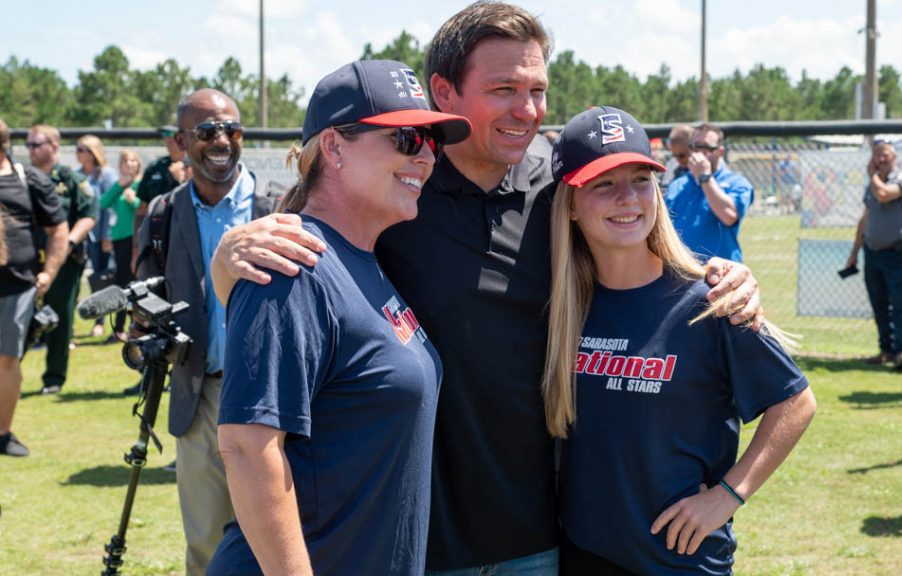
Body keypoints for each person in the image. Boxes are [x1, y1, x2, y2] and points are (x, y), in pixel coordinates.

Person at [210, 3, 764, 573]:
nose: (525, 110)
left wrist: (718, 275)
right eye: (503, 89)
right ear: (443, 93)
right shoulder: (395, 190)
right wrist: (225, 261)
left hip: (535, 529)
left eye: (537, 90)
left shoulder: (559, 182)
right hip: (415, 536)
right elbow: (289, 272)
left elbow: (638, 244)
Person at [207, 59, 470, 576]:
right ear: (333, 147)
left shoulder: (363, 258)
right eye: (406, 140)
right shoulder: (293, 263)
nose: (425, 157)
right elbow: (246, 446)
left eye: (431, 141)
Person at [543, 105, 815, 575]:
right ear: (569, 203)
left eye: (641, 180)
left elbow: (795, 403)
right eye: (603, 184)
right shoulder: (566, 306)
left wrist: (728, 495)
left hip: (681, 560)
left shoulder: (711, 301)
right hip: (583, 554)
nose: (627, 198)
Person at [134, 89, 275, 575]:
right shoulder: (160, 215)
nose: (221, 141)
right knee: (206, 545)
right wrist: (143, 332)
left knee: (280, 537)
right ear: (180, 142)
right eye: (207, 131)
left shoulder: (280, 207)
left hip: (274, 398)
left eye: (231, 129)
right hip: (200, 395)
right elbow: (141, 296)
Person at [0, 117, 68, 456]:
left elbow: (58, 229)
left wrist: (49, 273)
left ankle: (3, 433)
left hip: (15, 286)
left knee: (8, 361)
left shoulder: (29, 180)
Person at [27, 125, 95, 395]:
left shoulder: (71, 180)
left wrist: (67, 243)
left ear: (54, 146)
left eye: (36, 144)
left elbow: (88, 215)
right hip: (27, 260)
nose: (31, 149)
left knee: (59, 318)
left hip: (63, 263)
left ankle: (54, 378)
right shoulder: (22, 179)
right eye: (29, 145)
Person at [844, 139, 902, 372]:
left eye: (885, 155)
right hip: (872, 253)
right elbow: (864, 220)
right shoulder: (871, 186)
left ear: (895, 158)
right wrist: (854, 252)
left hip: (896, 252)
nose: (881, 159)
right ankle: (885, 350)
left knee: (899, 304)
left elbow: (885, 194)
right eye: (876, 155)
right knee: (879, 304)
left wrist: (871, 175)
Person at [664, 123, 754, 262]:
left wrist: (704, 177)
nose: (700, 153)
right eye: (696, 147)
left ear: (720, 151)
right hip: (683, 274)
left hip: (722, 275)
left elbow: (728, 216)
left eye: (707, 148)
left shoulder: (737, 183)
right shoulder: (677, 185)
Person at [76, 134, 118, 338]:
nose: (78, 153)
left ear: (93, 153)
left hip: (99, 237)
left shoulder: (107, 175)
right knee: (81, 280)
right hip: (80, 237)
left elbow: (111, 207)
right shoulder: (77, 175)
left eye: (81, 149)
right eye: (77, 149)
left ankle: (101, 322)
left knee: (101, 279)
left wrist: (107, 235)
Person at [99, 150, 142, 340]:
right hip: (120, 240)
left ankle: (137, 326)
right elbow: (103, 202)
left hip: (136, 240)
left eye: (133, 160)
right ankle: (118, 328)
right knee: (121, 283)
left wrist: (135, 201)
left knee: (136, 284)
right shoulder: (119, 185)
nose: (130, 164)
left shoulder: (141, 184)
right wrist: (119, 186)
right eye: (126, 161)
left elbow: (147, 207)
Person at [134, 124, 186, 261]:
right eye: (164, 136)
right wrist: (136, 247)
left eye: (171, 135)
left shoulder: (196, 167)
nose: (167, 139)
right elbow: (141, 209)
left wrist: (181, 180)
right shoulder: (155, 167)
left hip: (183, 236)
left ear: (183, 138)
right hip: (154, 235)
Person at [661, 123, 693, 189]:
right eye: (675, 156)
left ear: (694, 148)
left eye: (682, 156)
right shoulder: (672, 165)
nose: (679, 160)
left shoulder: (708, 170)